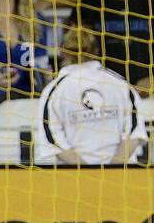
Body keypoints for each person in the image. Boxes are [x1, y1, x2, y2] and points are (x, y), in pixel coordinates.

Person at [37, 26, 147, 166]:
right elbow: (133, 135)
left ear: (63, 52)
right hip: (120, 177)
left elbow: (54, 142)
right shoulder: (120, 84)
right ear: (97, 51)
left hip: (76, 178)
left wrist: (89, 174)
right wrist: (110, 172)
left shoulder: (54, 91)